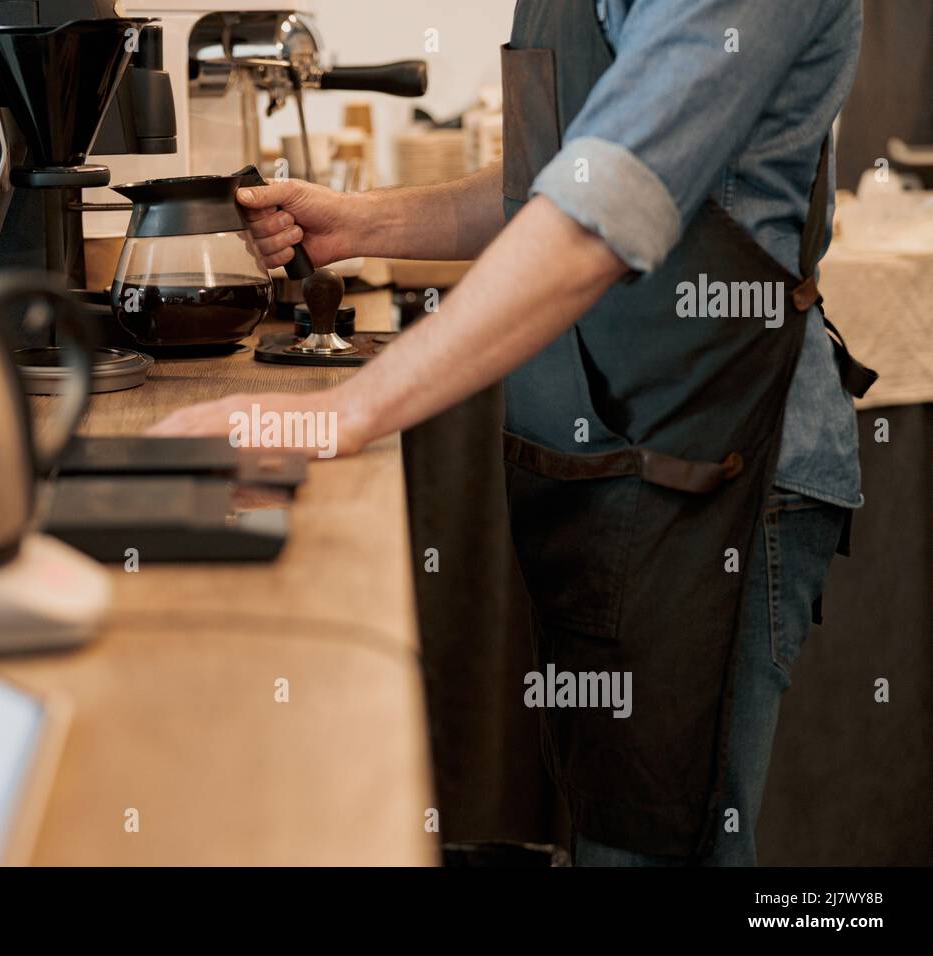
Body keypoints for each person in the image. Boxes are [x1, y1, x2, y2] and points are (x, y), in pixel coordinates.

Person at [150, 0, 876, 865]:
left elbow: (604, 208)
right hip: (605, 459)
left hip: (721, 465)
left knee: (665, 839)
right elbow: (552, 180)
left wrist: (338, 413)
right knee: (614, 824)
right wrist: (364, 223)